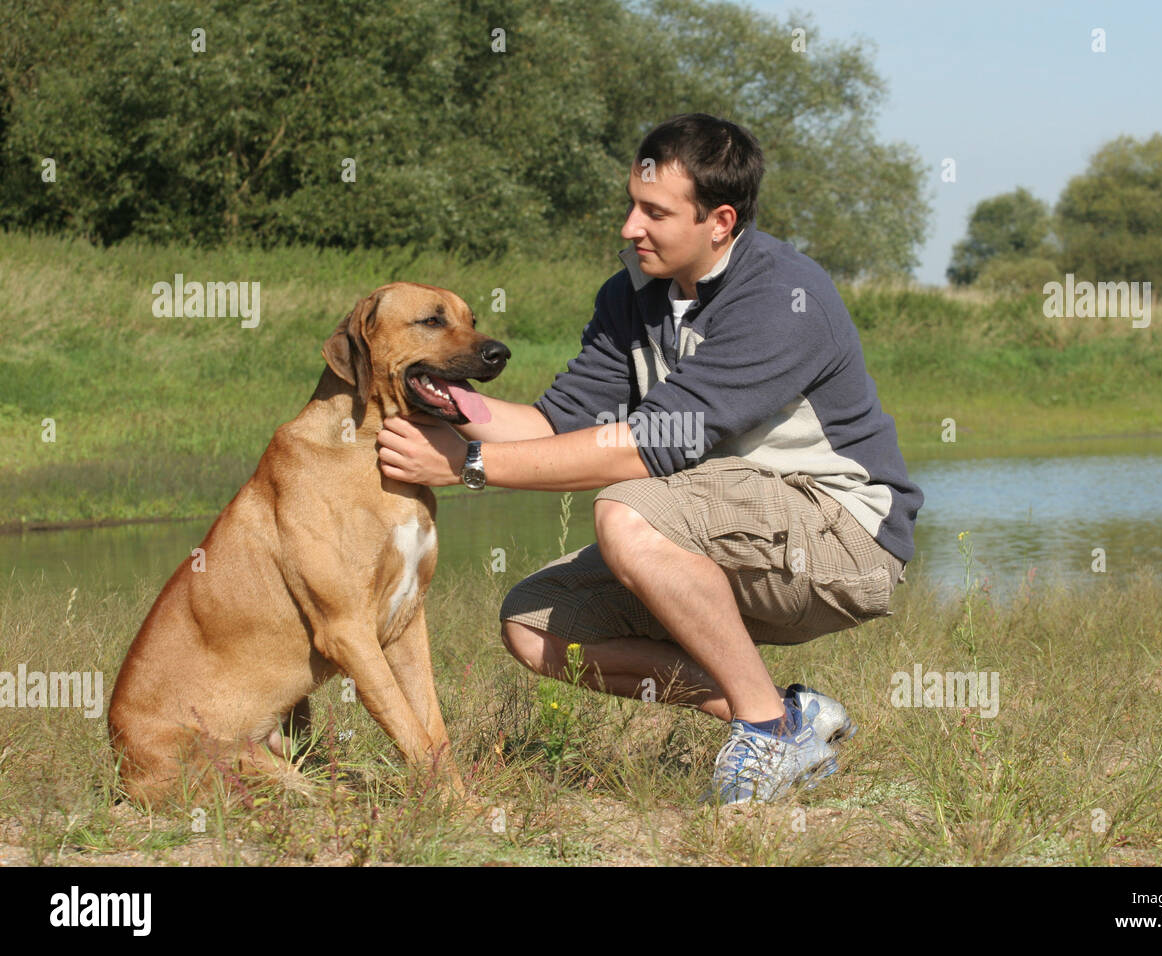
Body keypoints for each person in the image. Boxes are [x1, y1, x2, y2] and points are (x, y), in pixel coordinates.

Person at [376, 113, 923, 804]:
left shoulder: (785, 296)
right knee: (538, 624)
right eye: (632, 203)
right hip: (726, 528)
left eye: (654, 212)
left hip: (843, 536)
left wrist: (467, 465)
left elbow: (650, 445)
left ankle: (765, 734)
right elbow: (555, 422)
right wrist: (439, 411)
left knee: (628, 508)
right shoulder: (630, 294)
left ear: (720, 221)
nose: (630, 227)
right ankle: (782, 718)